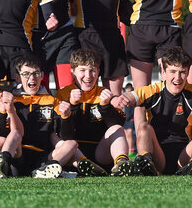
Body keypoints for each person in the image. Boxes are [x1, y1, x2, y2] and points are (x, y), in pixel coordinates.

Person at [113, 47, 192, 176]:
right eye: (173, 71)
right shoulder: (153, 90)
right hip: (158, 154)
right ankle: (145, 162)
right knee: (144, 127)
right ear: (163, 72)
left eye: (182, 72)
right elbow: (133, 96)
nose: (177, 77)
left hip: (185, 154)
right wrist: (123, 99)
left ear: (188, 72)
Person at [0, 54, 79, 178]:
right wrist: (1, 112)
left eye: (36, 73)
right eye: (26, 74)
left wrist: (66, 116)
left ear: (42, 76)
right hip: (18, 153)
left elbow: (63, 135)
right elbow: (0, 133)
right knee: (15, 133)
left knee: (72, 144)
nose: (32, 77)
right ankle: (3, 164)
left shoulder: (52, 100)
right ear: (17, 78)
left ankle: (45, 171)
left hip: (43, 157)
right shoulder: (12, 99)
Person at [54, 48, 134, 176]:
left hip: (100, 153)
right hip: (74, 156)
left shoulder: (104, 93)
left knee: (117, 129)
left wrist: (105, 106)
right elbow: (64, 135)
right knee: (64, 141)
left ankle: (121, 164)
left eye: (92, 70)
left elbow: (117, 125)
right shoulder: (62, 94)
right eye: (82, 70)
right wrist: (72, 106)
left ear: (98, 72)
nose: (88, 76)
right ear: (73, 72)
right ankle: (85, 164)